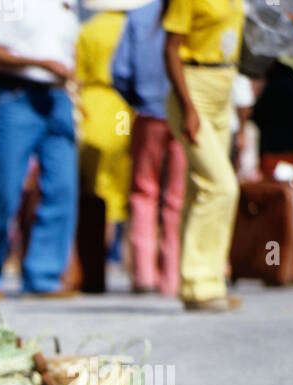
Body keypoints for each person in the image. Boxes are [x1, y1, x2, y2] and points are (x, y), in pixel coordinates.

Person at [0, 0, 81, 296]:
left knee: (62, 188)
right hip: (17, 97)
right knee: (5, 190)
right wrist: (40, 63)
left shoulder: (68, 7)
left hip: (58, 100)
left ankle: (44, 276)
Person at [163, 0, 246, 311]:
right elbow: (170, 49)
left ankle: (205, 284)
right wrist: (188, 107)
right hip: (193, 88)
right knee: (223, 187)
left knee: (201, 188)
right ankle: (199, 282)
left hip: (223, 87)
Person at [112, 0, 187, 296]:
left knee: (144, 192)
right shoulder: (192, 9)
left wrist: (140, 100)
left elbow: (119, 71)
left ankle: (143, 274)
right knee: (176, 197)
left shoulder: (138, 16)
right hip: (184, 112)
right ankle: (172, 276)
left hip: (149, 114)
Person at [78, 2, 136, 275]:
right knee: (118, 181)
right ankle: (118, 255)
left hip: (92, 106)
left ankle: (94, 260)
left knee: (93, 183)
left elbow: (78, 74)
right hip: (121, 109)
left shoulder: (88, 29)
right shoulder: (132, 27)